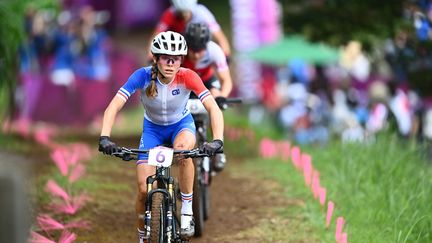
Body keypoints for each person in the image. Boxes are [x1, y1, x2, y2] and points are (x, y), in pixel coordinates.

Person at [98, 31, 224, 241]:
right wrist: (104, 136)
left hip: (181, 126)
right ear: (156, 58)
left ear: (181, 61)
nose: (171, 63)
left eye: (175, 59)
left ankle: (186, 212)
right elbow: (114, 106)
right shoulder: (142, 76)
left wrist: (218, 139)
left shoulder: (188, 77)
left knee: (184, 153)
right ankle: (142, 236)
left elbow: (213, 108)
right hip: (152, 130)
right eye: (166, 58)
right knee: (142, 189)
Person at [183, 22, 233, 171]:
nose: (196, 55)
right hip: (186, 83)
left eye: (200, 50)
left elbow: (226, 80)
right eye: (192, 50)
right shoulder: (180, 51)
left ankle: (218, 147)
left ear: (206, 45)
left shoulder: (215, 51)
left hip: (207, 82)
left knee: (215, 100)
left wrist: (222, 97)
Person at [146, 0, 231, 61]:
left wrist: (226, 55)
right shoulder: (169, 14)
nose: (184, 17)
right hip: (179, 51)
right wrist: (151, 56)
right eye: (181, 13)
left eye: (186, 13)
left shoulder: (202, 13)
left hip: (198, 52)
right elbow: (155, 37)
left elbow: (220, 37)